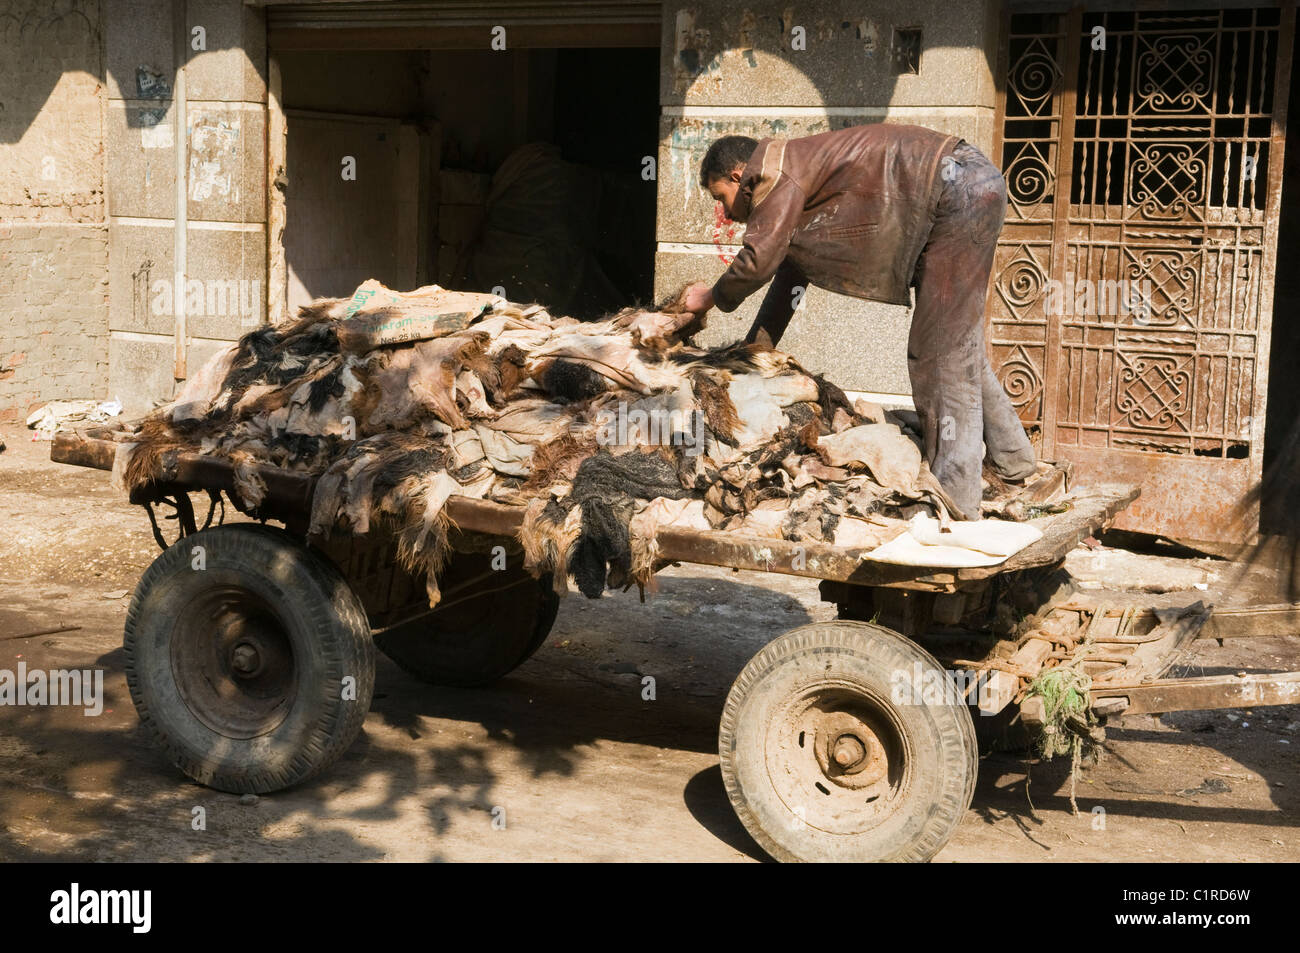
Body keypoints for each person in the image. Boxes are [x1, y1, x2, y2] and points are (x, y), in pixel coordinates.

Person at [681, 125, 1037, 519]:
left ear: (737, 177)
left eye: (722, 198)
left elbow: (757, 263)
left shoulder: (773, 175)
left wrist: (708, 297)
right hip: (970, 182)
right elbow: (786, 281)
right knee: (956, 341)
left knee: (937, 351)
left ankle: (956, 499)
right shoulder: (796, 177)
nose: (727, 214)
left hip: (955, 190)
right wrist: (750, 358)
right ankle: (1015, 459)